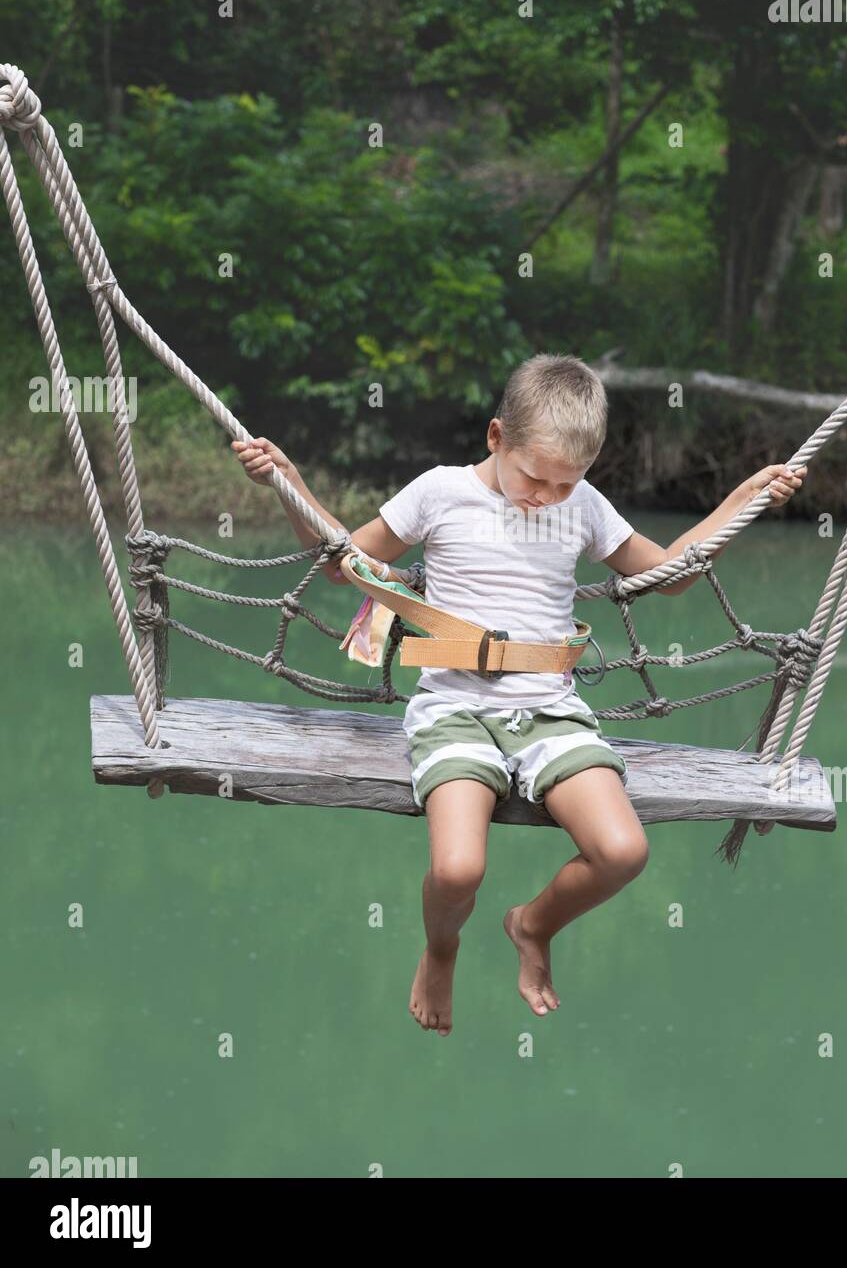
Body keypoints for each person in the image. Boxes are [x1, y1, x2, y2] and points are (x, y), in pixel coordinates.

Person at [233, 354, 806, 1036]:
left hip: (552, 713)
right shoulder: (439, 493)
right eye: (536, 477)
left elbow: (670, 574)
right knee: (456, 869)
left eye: (565, 484)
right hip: (454, 712)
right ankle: (441, 948)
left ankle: (532, 928)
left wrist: (741, 501)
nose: (546, 497)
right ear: (495, 436)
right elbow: (342, 562)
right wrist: (290, 485)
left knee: (623, 852)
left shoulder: (582, 507)